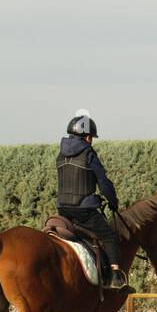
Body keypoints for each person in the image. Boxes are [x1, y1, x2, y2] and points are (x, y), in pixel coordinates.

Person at [56, 115, 127, 289]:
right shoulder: (89, 153)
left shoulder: (60, 155)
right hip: (84, 211)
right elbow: (103, 183)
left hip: (63, 210)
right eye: (91, 138)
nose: (91, 141)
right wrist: (113, 202)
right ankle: (116, 277)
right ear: (87, 137)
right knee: (109, 235)